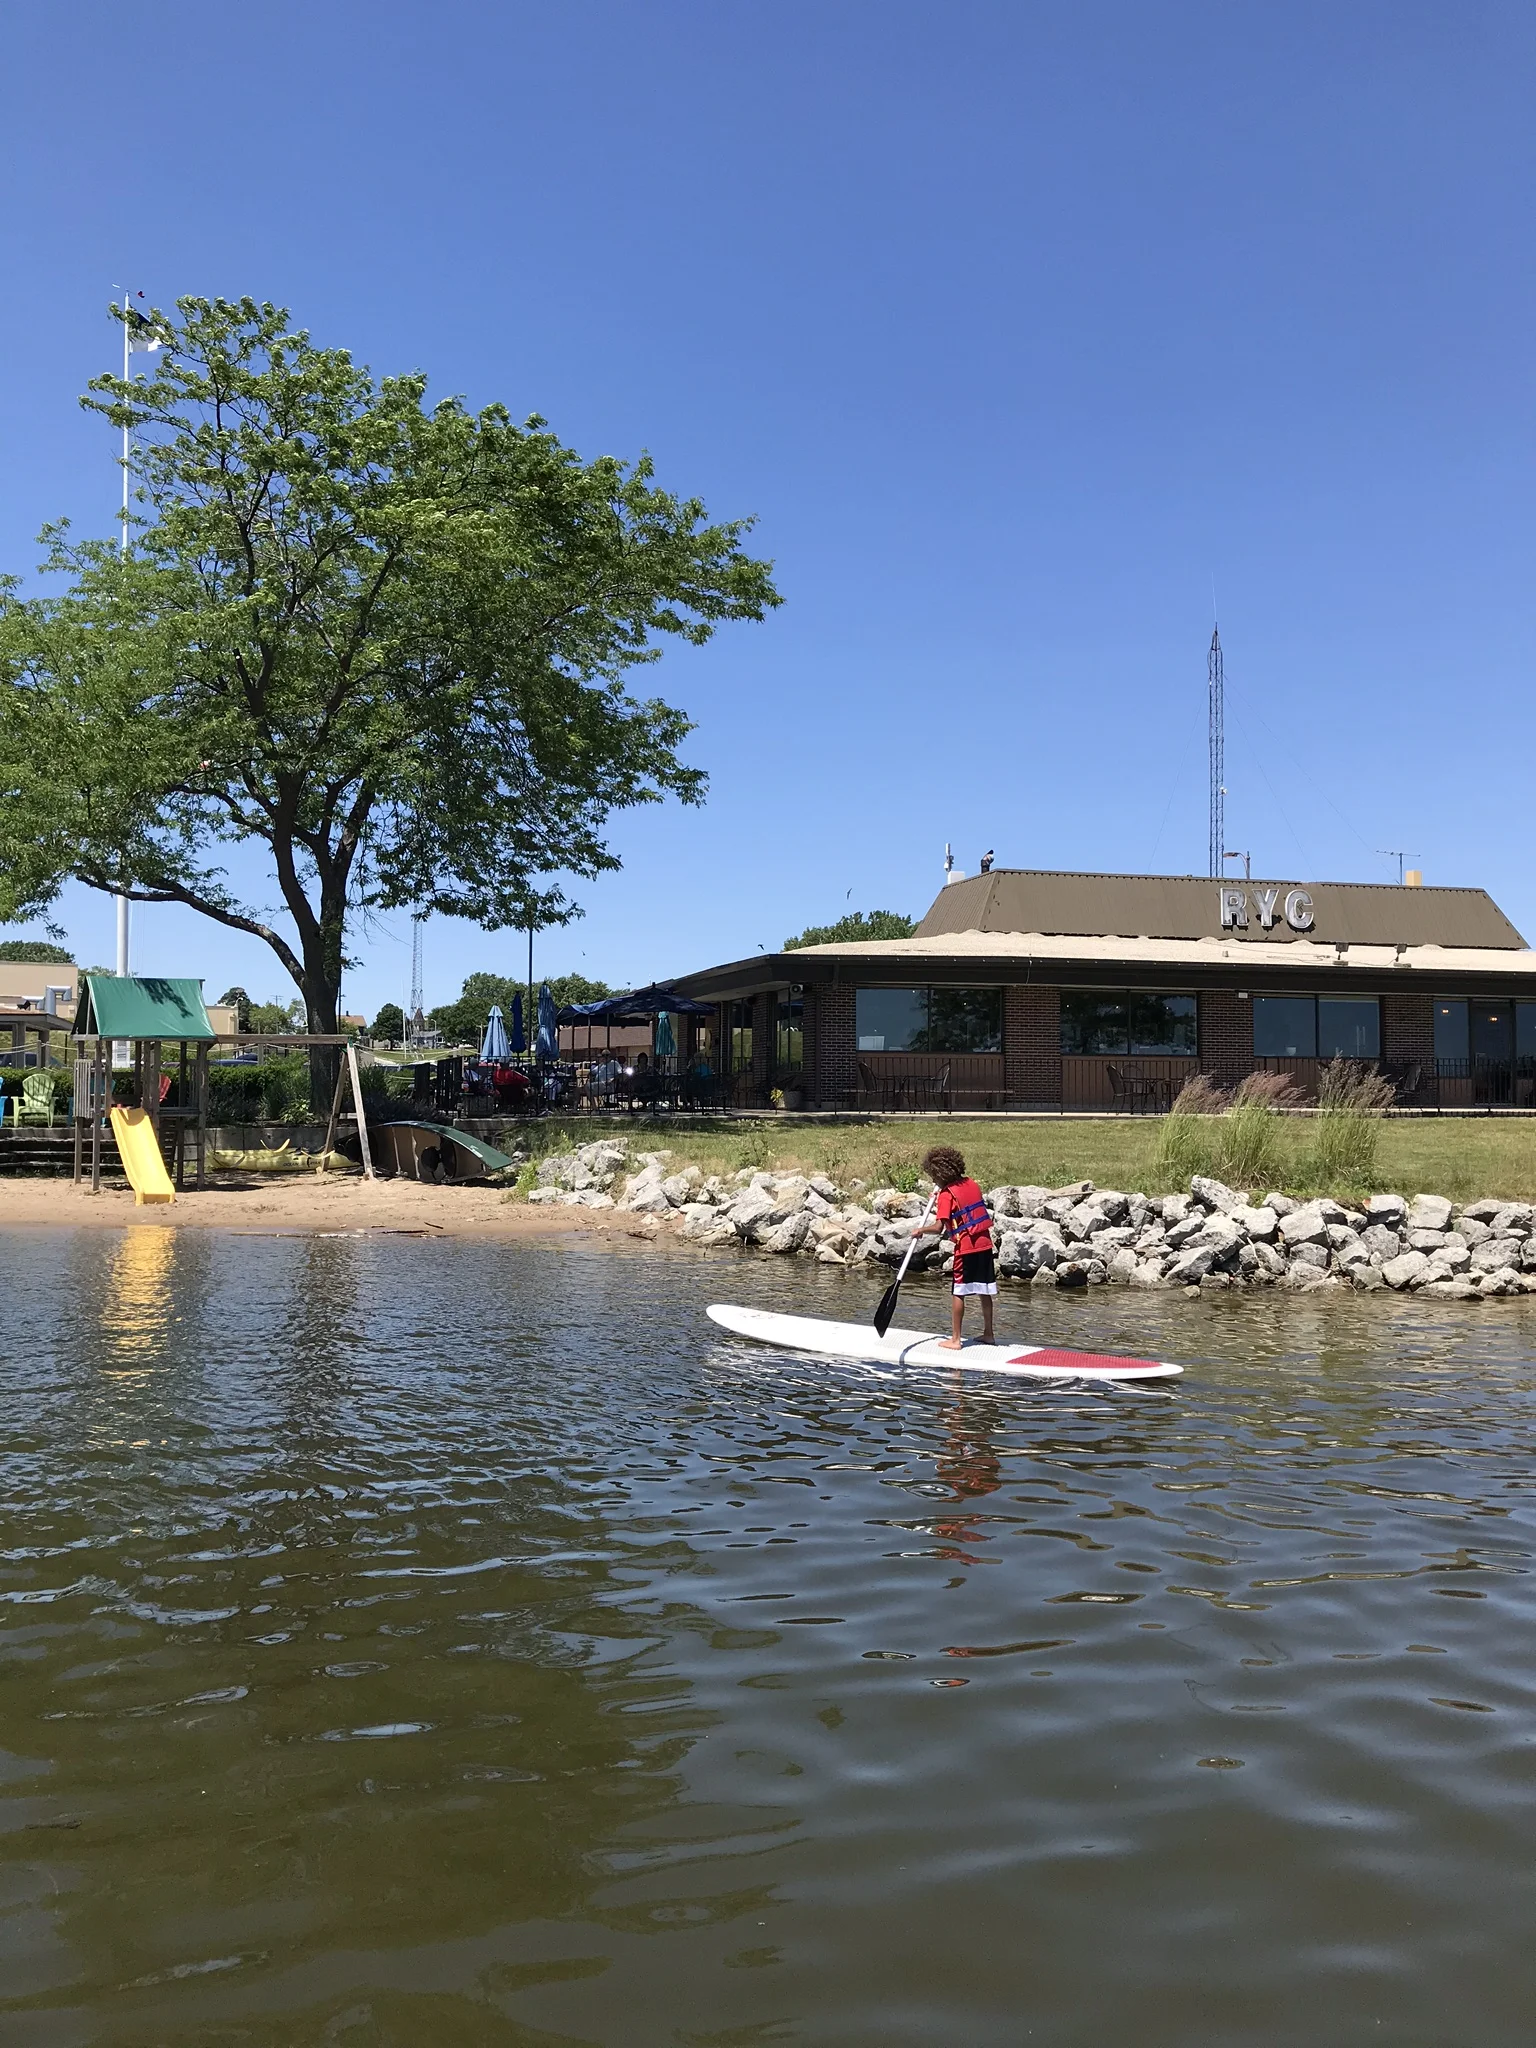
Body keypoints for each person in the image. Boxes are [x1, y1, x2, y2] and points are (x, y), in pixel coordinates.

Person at [913, 1145, 996, 1349]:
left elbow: (939, 1226)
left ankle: (956, 1339)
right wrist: (940, 1194)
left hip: (966, 1248)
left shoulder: (946, 1195)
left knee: (958, 1291)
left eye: (933, 1175)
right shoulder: (972, 1183)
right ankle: (988, 1334)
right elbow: (962, 1200)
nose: (932, 1179)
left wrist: (920, 1230)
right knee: (984, 1290)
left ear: (940, 1173)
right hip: (985, 1244)